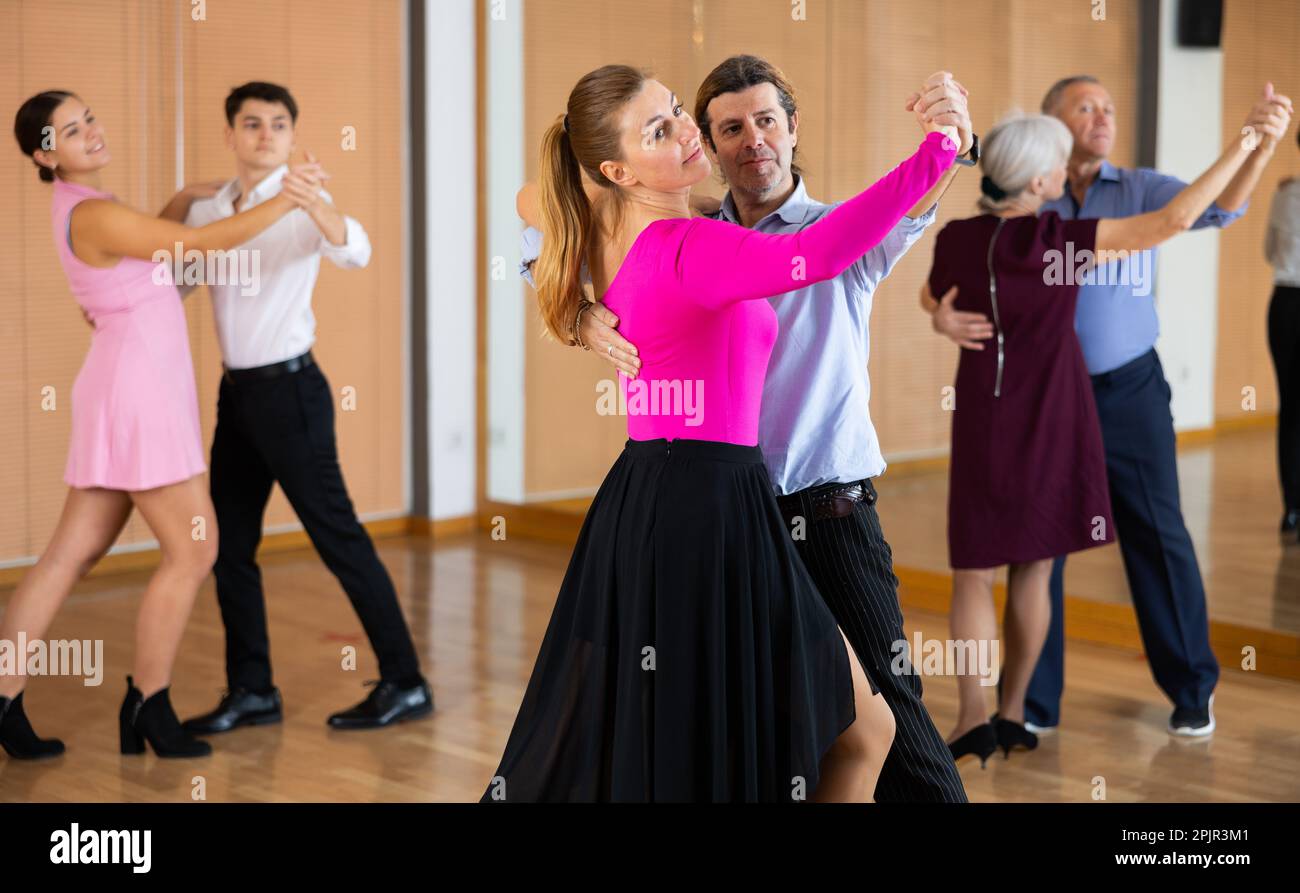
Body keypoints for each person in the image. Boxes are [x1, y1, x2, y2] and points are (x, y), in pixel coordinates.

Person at [482, 63, 957, 802]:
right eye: (659, 130)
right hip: (705, 505)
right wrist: (938, 150)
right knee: (856, 730)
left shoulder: (610, 220)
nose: (685, 133)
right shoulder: (687, 247)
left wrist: (574, 307)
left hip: (671, 492)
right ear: (615, 169)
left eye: (676, 113)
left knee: (851, 729)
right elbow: (821, 252)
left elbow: (531, 196)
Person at [925, 75, 1292, 737]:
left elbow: (1204, 211)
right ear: (1044, 163)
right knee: (1039, 556)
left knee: (1133, 535)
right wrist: (941, 317)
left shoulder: (976, 228)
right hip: (1046, 405)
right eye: (1083, 108)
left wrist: (1254, 149)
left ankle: (1175, 687)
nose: (1100, 118)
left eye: (1108, 107)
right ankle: (1026, 706)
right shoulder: (1050, 227)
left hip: (1094, 396)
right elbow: (1169, 226)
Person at [6, 90, 318, 759]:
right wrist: (287, 199)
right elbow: (197, 244)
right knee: (194, 549)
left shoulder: (88, 210)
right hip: (138, 399)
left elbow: (149, 248)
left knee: (69, 554)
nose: (90, 130)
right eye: (70, 129)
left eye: (89, 116)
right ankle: (147, 702)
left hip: (121, 392)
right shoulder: (92, 212)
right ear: (45, 153)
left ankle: (2, 697)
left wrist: (177, 197)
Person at [169, 83, 433, 735]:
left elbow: (356, 250)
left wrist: (318, 208)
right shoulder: (210, 211)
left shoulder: (303, 203)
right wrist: (181, 208)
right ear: (230, 134)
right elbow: (173, 281)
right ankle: (252, 689)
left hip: (292, 394)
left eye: (278, 125)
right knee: (228, 545)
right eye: (251, 124)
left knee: (338, 537)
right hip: (238, 396)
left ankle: (406, 681)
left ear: (292, 136)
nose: (265, 135)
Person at [1265, 129, 1300, 541]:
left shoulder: (1286, 193)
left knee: (1290, 407)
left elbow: (1268, 253)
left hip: (1286, 304)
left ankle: (1292, 508)